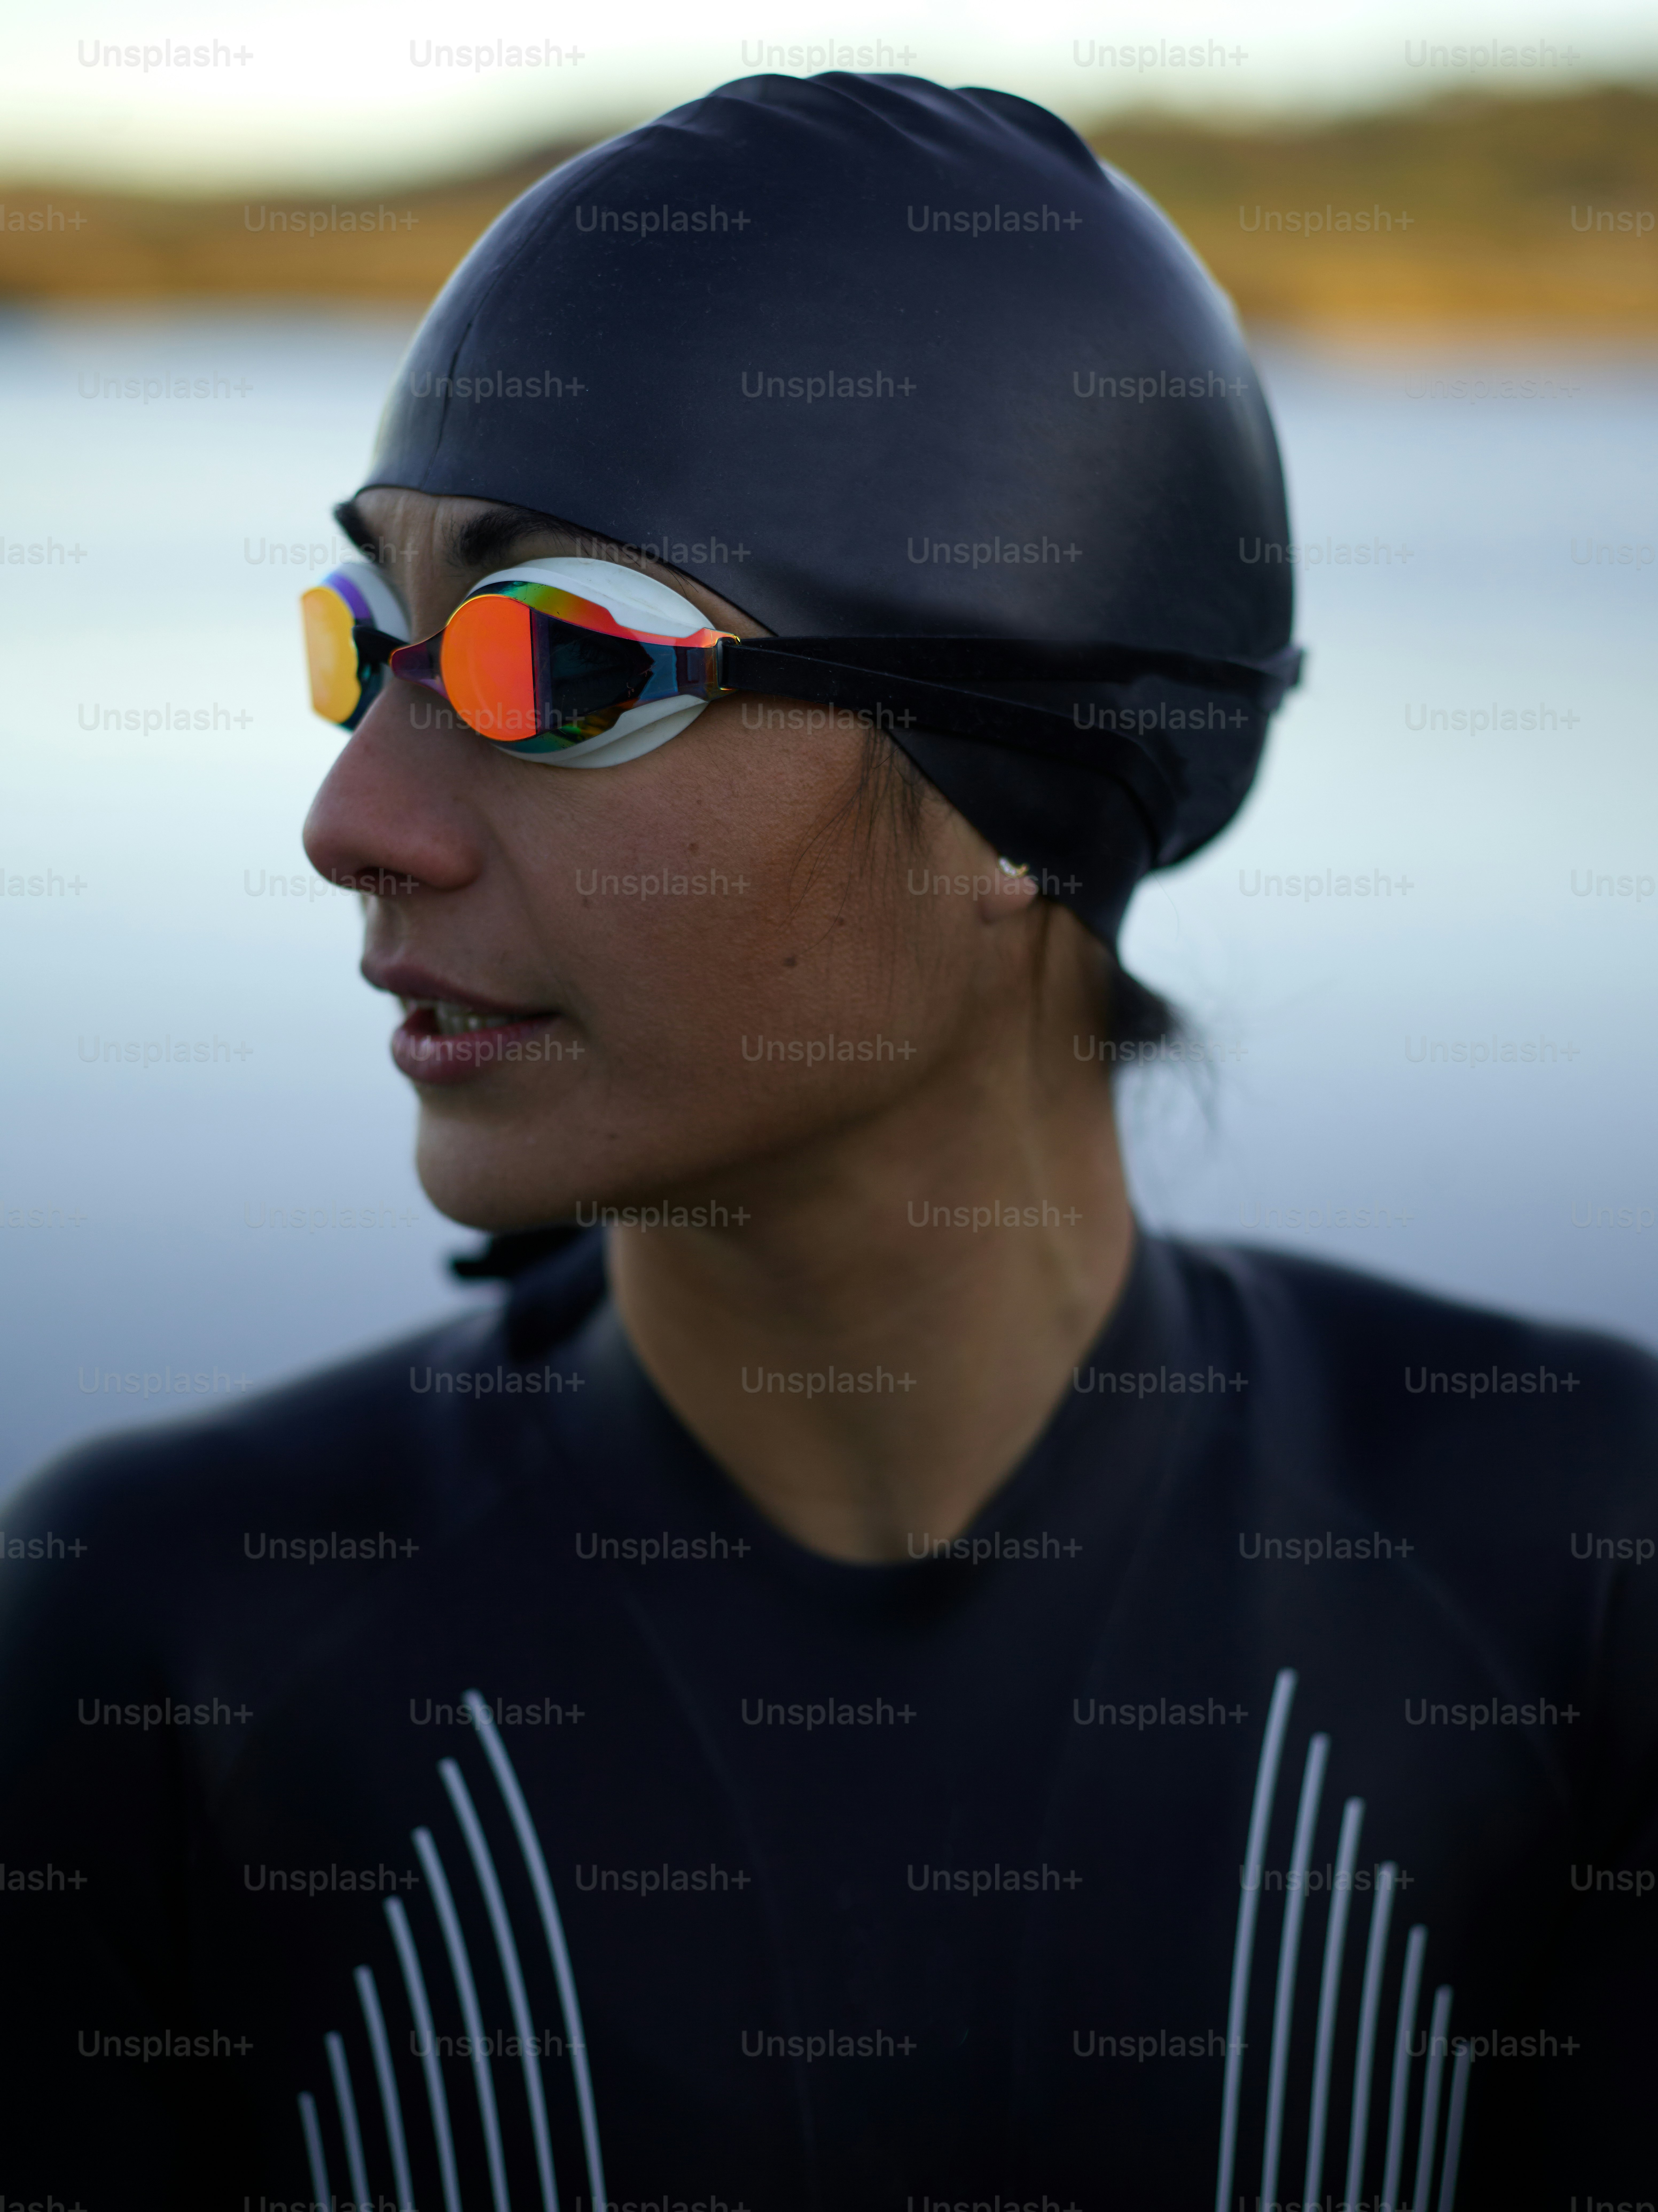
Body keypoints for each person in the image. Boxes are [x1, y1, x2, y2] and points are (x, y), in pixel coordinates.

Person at [1, 71, 1652, 2212]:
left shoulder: (1570, 1577)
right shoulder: (165, 1646)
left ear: (1022, 783)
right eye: (375, 647)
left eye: (562, 663)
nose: (350, 825)